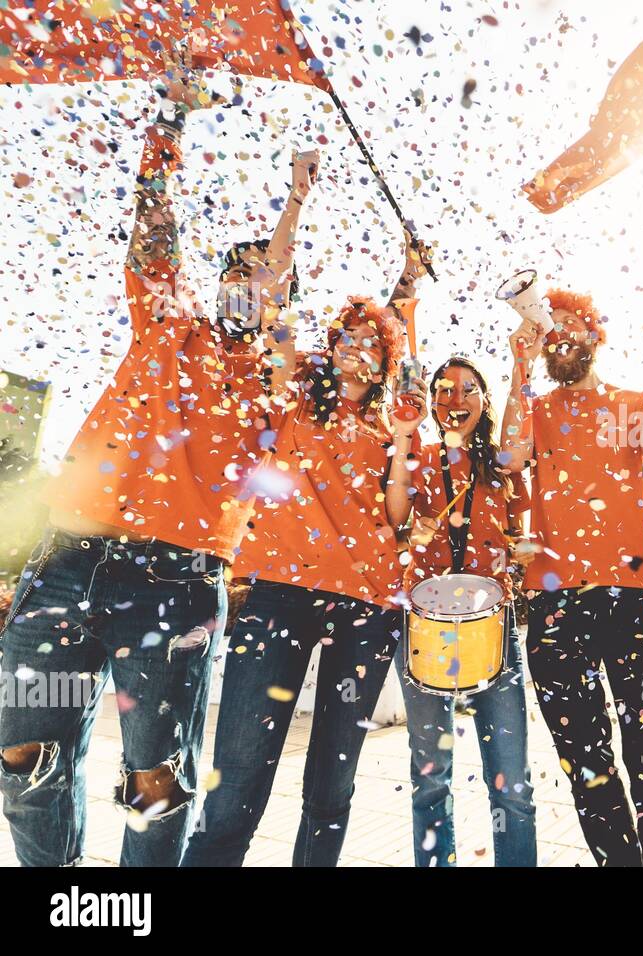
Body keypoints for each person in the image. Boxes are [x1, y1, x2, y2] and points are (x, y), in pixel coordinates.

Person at [0, 61, 314, 867]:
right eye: (234, 274)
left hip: (170, 589)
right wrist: (169, 123)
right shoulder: (167, 324)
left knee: (155, 777)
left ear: (281, 301)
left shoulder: (277, 388)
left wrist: (295, 204)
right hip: (67, 565)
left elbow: (280, 288)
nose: (246, 285)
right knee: (23, 752)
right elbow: (152, 230)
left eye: (263, 280)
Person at [181, 237, 428, 867]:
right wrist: (296, 197)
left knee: (330, 788)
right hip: (279, 595)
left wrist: (404, 440)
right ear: (331, 342)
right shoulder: (292, 391)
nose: (357, 346)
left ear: (385, 362)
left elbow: (398, 517)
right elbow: (276, 301)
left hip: (368, 607)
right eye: (348, 335)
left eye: (372, 343)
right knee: (237, 779)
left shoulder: (391, 426)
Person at [498, 289, 643, 866]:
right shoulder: (536, 408)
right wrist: (517, 366)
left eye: (571, 325)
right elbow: (510, 457)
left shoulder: (631, 402)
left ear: (594, 336)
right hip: (554, 608)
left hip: (630, 601)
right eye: (550, 327)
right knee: (588, 768)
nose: (560, 335)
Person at [385, 355, 537, 867]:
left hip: (495, 626)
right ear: (431, 403)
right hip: (423, 627)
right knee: (431, 780)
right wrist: (411, 533)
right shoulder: (416, 457)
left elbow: (520, 537)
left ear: (484, 400)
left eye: (467, 389)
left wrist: (522, 553)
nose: (455, 400)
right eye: (444, 390)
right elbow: (394, 524)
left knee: (512, 785)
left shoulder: (504, 466)